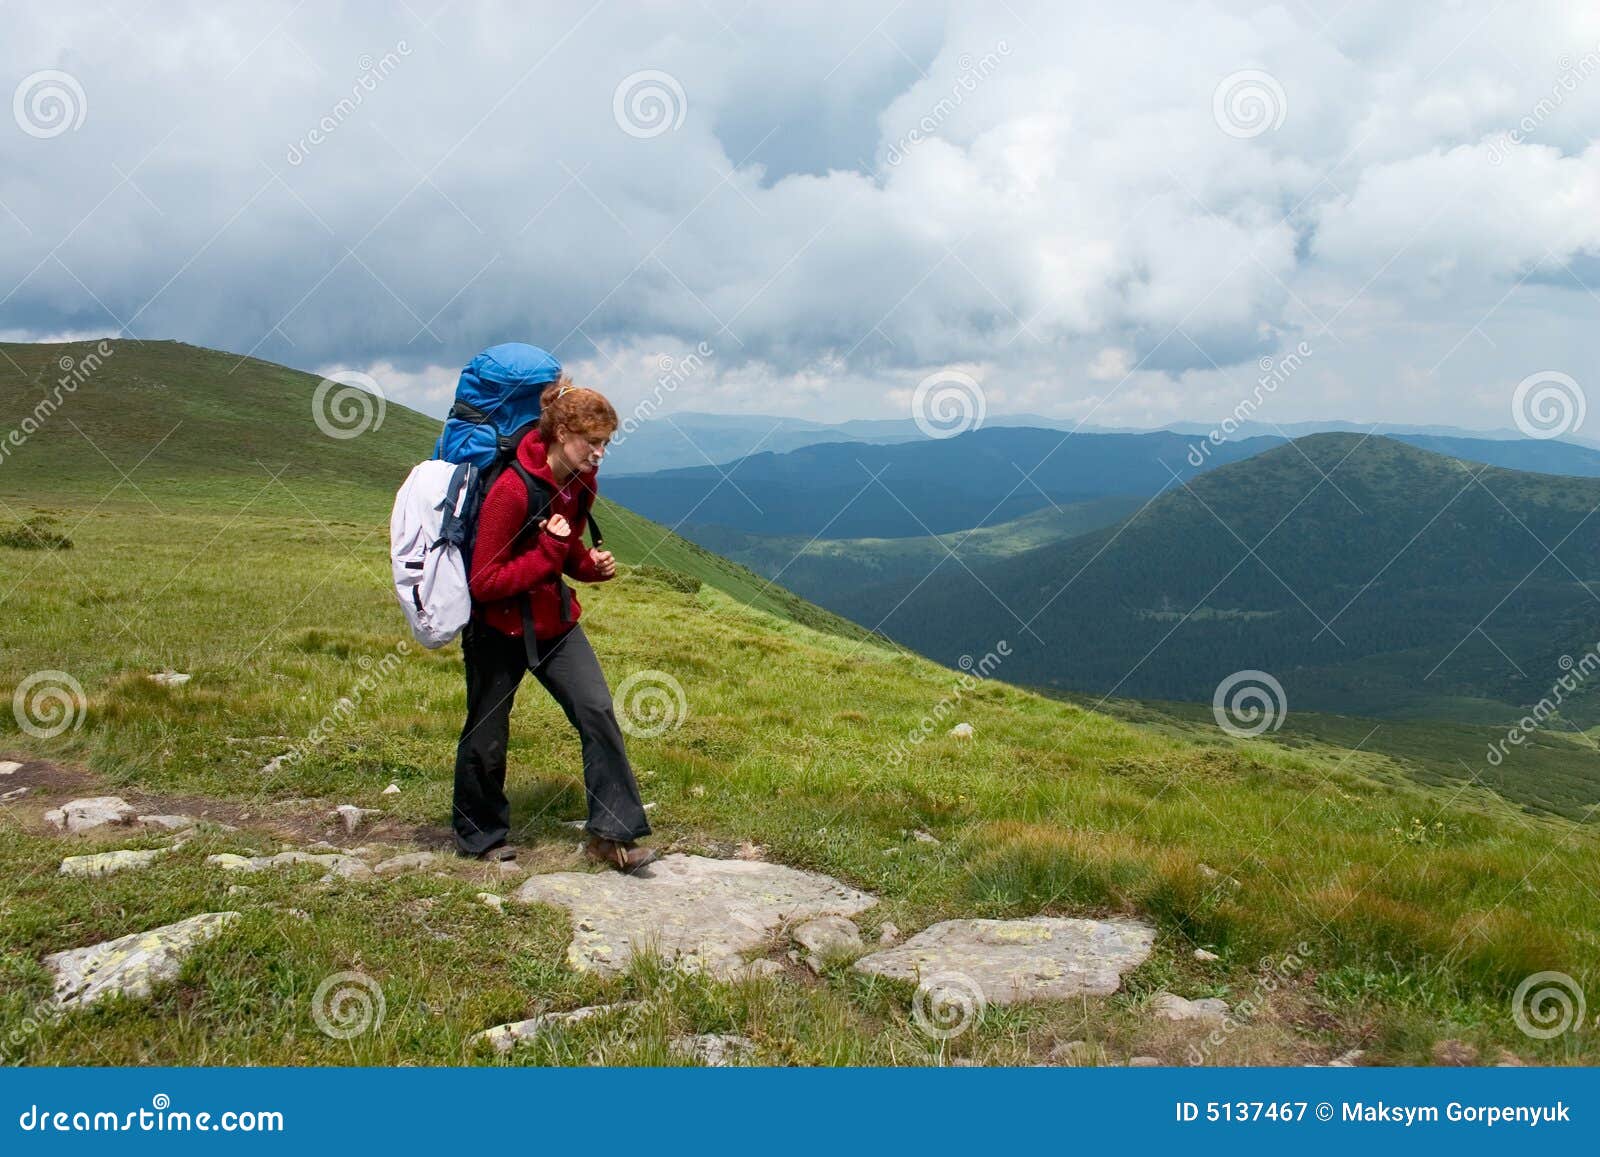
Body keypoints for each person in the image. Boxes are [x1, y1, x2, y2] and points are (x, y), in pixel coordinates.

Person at [451, 377, 658, 872]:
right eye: (593, 442)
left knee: (597, 710)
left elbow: (566, 552)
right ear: (563, 432)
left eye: (606, 443)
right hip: (497, 627)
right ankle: (480, 835)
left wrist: (591, 569)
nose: (601, 453)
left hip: (554, 622)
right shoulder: (509, 489)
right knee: (487, 731)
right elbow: (484, 581)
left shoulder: (581, 481)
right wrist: (549, 552)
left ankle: (613, 836)